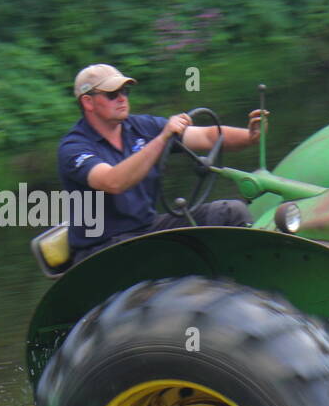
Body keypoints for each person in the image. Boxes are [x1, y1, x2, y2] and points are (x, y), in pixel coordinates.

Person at [57, 63, 267, 261]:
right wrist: (162, 139)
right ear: (87, 102)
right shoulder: (73, 148)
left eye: (125, 92)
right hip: (100, 249)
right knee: (163, 256)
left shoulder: (142, 126)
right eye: (112, 94)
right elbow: (113, 182)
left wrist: (250, 136)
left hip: (147, 231)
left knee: (232, 212)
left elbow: (209, 137)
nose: (122, 98)